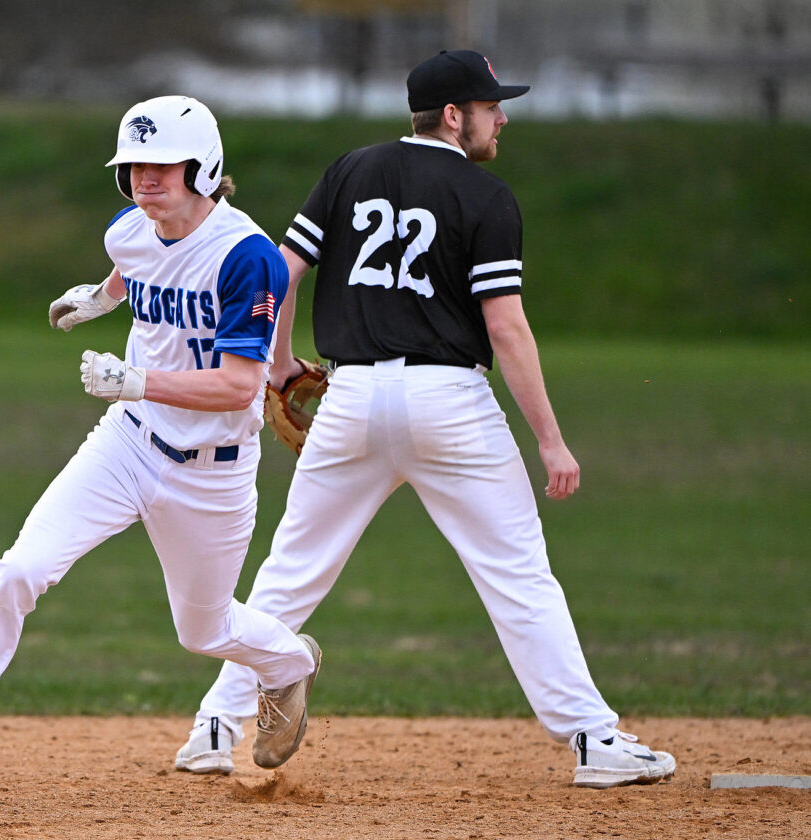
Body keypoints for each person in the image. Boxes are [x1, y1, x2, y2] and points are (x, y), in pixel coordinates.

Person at [174, 51, 676, 789]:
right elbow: (505, 328)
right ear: (453, 115)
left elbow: (276, 273)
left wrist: (278, 364)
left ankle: (213, 727)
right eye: (490, 106)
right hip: (450, 405)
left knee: (290, 574)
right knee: (518, 575)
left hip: (350, 399)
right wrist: (550, 438)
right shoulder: (486, 194)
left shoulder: (350, 170)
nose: (501, 117)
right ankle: (592, 742)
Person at [0, 95, 321, 791]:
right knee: (19, 570)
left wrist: (137, 379)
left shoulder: (244, 255)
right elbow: (129, 266)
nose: (143, 180)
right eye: (132, 166)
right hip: (128, 444)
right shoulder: (131, 230)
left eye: (162, 166)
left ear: (205, 167)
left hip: (213, 471)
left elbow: (236, 387)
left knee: (203, 630)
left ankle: (288, 666)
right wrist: (99, 301)